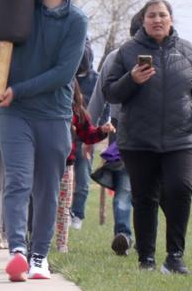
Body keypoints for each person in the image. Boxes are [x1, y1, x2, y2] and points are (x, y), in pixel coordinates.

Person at [0, 0, 88, 281]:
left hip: (54, 115)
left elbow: (63, 72)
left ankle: (40, 255)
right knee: (18, 181)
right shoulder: (24, 7)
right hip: (15, 114)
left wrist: (19, 89)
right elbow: (2, 43)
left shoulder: (76, 20)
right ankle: (18, 252)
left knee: (47, 187)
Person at [103, 0, 192, 274]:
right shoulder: (127, 51)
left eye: (162, 15)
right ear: (144, 20)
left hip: (181, 139)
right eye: (151, 16)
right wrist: (131, 79)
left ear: (171, 19)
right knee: (144, 197)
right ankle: (146, 258)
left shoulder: (189, 52)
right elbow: (110, 92)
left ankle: (174, 257)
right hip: (138, 139)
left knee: (179, 190)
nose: (157, 20)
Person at [86, 11, 144, 257]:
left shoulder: (167, 58)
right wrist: (87, 134)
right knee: (125, 187)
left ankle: (141, 239)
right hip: (121, 133)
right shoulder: (114, 58)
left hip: (157, 135)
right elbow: (99, 97)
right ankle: (124, 235)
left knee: (143, 192)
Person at [54, 80, 114, 253]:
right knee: (42, 204)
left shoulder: (77, 112)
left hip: (67, 164)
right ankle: (35, 240)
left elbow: (88, 135)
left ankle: (61, 245)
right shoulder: (45, 109)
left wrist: (102, 130)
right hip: (44, 164)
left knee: (64, 207)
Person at [70, 40, 98, 230]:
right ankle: (60, 213)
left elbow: (103, 106)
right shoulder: (65, 73)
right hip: (66, 133)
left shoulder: (95, 79)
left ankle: (77, 215)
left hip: (86, 134)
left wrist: (95, 132)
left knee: (83, 178)